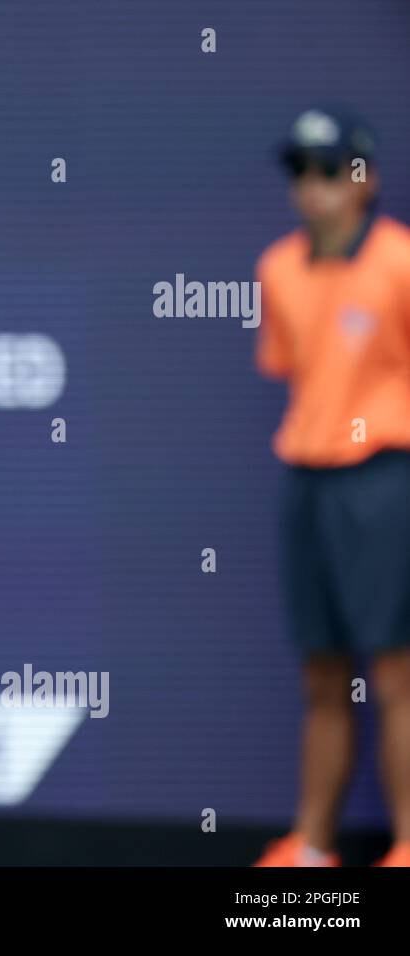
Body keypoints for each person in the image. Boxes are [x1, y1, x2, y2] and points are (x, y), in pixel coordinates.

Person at [251, 106, 410, 868]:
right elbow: (288, 367)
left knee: (396, 672)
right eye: (300, 174)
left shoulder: (403, 263)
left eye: (328, 172)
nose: (311, 188)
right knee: (322, 672)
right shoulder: (277, 269)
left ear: (364, 180)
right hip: (307, 484)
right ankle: (312, 845)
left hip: (384, 481)